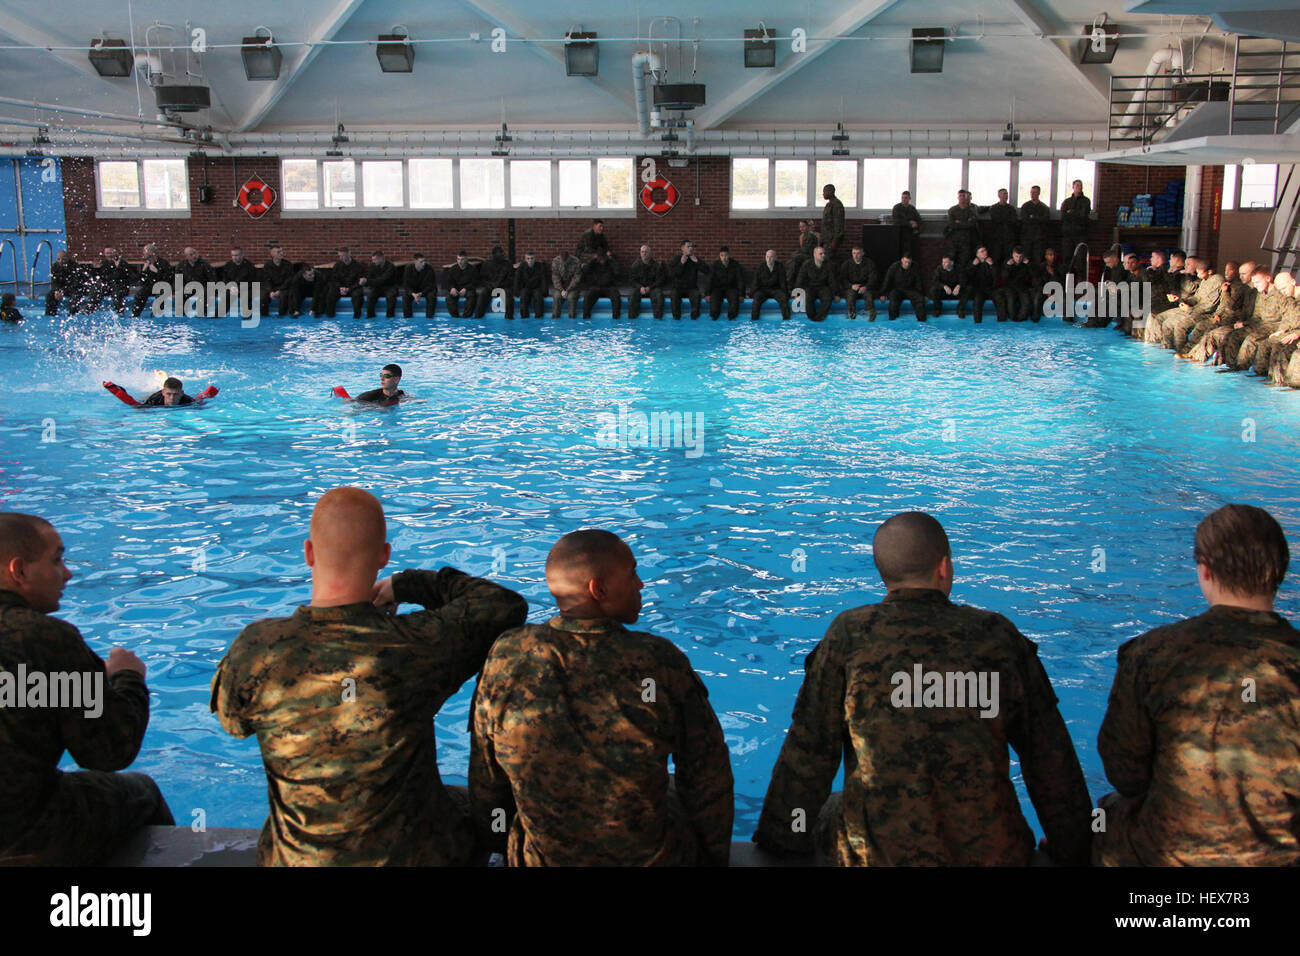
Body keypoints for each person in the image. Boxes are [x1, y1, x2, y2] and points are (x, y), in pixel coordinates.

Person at [211, 487, 528, 866]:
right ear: (383, 556)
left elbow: (234, 724)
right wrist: (405, 584)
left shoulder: (255, 648)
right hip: (413, 858)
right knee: (478, 809)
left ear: (309, 552)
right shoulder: (417, 645)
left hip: (298, 860)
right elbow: (502, 606)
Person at [753, 512, 1091, 866]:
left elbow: (808, 755)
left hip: (879, 856)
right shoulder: (997, 637)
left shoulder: (849, 636)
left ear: (884, 574)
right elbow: (1050, 759)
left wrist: (779, 842)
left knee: (832, 808)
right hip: (993, 853)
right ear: (943, 567)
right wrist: (1075, 846)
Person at [469, 529, 732, 866]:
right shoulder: (657, 661)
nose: (641, 585)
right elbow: (707, 775)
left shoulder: (508, 655)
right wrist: (714, 859)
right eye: (633, 573)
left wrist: (496, 842)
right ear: (598, 589)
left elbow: (487, 770)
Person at [1094, 504, 1300, 867]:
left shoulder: (1152, 654)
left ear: (1204, 570)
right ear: (1280, 571)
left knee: (1104, 817)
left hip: (1167, 854)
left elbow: (1124, 772)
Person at [0, 512, 174, 865]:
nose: (68, 573)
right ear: (18, 570)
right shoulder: (43, 639)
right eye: (56, 560)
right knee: (141, 792)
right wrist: (127, 678)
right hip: (21, 830)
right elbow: (108, 752)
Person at [1182, 261, 1242, 360]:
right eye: (1226, 269)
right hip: (1221, 315)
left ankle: (1197, 356)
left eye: (1230, 270)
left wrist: (1225, 292)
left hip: (1232, 318)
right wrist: (1217, 314)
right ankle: (1189, 351)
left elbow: (1230, 306)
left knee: (1210, 331)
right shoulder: (1227, 285)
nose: (1226, 272)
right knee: (1201, 326)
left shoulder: (1239, 287)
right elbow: (1222, 305)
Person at [1161, 258, 1222, 352]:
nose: (1197, 275)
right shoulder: (1205, 280)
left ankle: (1181, 352)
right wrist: (1181, 300)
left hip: (1205, 314)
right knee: (1167, 323)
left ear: (1209, 272)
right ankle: (1168, 350)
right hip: (1194, 310)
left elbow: (1210, 306)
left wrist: (1190, 309)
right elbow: (1196, 298)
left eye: (1199, 273)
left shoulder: (1217, 280)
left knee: (1180, 326)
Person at [879, 254, 927, 322]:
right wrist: (883, 294)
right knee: (893, 300)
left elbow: (919, 282)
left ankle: (922, 321)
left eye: (909, 262)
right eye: (905, 262)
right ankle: (893, 320)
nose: (907, 264)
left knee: (920, 299)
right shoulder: (894, 267)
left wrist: (923, 295)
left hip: (911, 289)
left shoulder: (915, 267)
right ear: (902, 260)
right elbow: (887, 281)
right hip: (897, 289)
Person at [1060, 179, 1091, 279]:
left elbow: (1083, 216)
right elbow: (1063, 216)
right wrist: (1075, 213)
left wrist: (1072, 213)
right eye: (1077, 185)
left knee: (1081, 259)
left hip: (1081, 234)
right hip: (1068, 234)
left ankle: (1081, 284)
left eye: (1080, 185)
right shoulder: (1067, 201)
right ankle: (1067, 282)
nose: (1079, 187)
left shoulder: (1086, 201)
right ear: (1073, 187)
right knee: (1067, 258)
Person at [796, 246, 836, 322]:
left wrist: (836, 294)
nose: (823, 255)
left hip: (823, 287)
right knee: (808, 298)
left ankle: (819, 318)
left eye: (824, 253)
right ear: (814, 254)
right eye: (821, 254)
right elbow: (800, 279)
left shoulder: (828, 265)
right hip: (810, 287)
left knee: (828, 298)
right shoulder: (807, 264)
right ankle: (812, 317)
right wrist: (798, 293)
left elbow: (832, 281)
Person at [578, 248, 621, 319]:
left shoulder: (610, 262)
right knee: (587, 297)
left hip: (608, 287)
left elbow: (617, 271)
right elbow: (585, 270)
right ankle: (586, 317)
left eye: (603, 258)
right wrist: (592, 260)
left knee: (616, 296)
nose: (602, 260)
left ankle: (616, 318)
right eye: (600, 258)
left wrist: (611, 259)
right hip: (596, 287)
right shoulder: (594, 263)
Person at [322, 247, 364, 318]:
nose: (341, 258)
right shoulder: (337, 266)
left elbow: (359, 282)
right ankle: (330, 316)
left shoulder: (358, 266)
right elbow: (334, 280)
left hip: (353, 287)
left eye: (343, 255)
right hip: (341, 288)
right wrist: (340, 287)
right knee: (330, 294)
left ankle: (357, 317)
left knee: (358, 295)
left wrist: (349, 289)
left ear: (349, 254)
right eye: (340, 256)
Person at [130, 243, 170, 317]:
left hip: (161, 286)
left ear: (151, 252)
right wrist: (143, 271)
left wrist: (156, 271)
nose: (143, 253)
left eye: (145, 251)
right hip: (149, 286)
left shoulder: (163, 263)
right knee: (140, 294)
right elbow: (140, 280)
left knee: (161, 295)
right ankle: (135, 314)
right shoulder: (146, 264)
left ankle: (155, 314)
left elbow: (167, 278)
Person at [91, 246, 134, 314]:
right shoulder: (104, 263)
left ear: (115, 253)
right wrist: (96, 269)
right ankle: (90, 309)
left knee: (116, 291)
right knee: (96, 288)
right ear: (104, 254)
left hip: (120, 287)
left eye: (111, 253)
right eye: (107, 253)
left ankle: (120, 312)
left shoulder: (122, 263)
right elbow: (100, 278)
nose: (109, 255)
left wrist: (118, 267)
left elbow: (122, 277)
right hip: (109, 287)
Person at [750, 249, 791, 321]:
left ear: (775, 258)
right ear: (765, 257)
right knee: (756, 300)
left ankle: (786, 320)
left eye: (771, 257)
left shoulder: (780, 267)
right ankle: (754, 320)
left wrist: (786, 293)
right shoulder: (760, 267)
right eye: (767, 257)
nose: (769, 259)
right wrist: (752, 293)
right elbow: (756, 281)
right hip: (763, 290)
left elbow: (783, 282)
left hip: (776, 289)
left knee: (784, 299)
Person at [960, 247, 998, 324]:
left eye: (985, 250)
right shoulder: (973, 263)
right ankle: (977, 323)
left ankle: (1001, 322)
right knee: (977, 302)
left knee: (999, 299)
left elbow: (997, 276)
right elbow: (966, 276)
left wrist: (992, 266)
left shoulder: (991, 262)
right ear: (977, 254)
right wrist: (973, 265)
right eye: (982, 251)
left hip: (990, 288)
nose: (985, 252)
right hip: (978, 289)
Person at [444, 250, 486, 319]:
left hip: (468, 289)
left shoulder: (473, 270)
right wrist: (451, 288)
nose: (460, 261)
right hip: (456, 289)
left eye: (462, 259)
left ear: (466, 259)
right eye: (458, 259)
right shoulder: (452, 269)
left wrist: (466, 289)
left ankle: (466, 316)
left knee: (472, 296)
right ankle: (455, 317)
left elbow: (475, 282)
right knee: (449, 297)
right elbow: (447, 282)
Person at [998, 246, 1036, 322]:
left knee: (1027, 303)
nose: (1018, 259)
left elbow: (1035, 275)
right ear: (1012, 255)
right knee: (1011, 305)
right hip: (1010, 287)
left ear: (1023, 256)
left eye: (1020, 256)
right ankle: (1014, 318)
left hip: (1023, 287)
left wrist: (1029, 264)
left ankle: (1020, 319)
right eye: (1016, 256)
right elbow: (1003, 278)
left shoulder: (1027, 263)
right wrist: (1008, 267)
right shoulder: (1007, 263)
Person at [627, 244, 665, 320]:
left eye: (646, 252)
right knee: (632, 296)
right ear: (640, 253)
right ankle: (633, 320)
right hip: (639, 288)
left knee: (659, 295)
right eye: (642, 252)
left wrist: (650, 288)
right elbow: (632, 280)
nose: (644, 254)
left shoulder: (656, 265)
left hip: (652, 288)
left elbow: (660, 280)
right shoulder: (635, 265)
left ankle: (657, 319)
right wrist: (640, 287)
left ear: (650, 254)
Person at [944, 190, 980, 271]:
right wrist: (966, 222)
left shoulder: (971, 210)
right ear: (957, 197)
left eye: (964, 196)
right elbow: (952, 225)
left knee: (964, 264)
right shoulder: (952, 210)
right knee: (951, 263)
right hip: (954, 241)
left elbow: (972, 224)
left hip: (967, 241)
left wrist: (959, 222)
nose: (962, 198)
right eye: (960, 196)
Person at [839, 245, 877, 320]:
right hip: (851, 287)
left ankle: (871, 317)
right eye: (854, 253)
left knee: (869, 296)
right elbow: (842, 279)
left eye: (858, 253)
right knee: (850, 296)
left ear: (863, 253)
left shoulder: (870, 264)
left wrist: (866, 287)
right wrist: (851, 286)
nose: (855, 256)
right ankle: (851, 317)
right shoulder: (846, 264)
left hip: (865, 287)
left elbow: (873, 279)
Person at [707, 246, 745, 320]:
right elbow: (709, 280)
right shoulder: (715, 265)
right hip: (718, 288)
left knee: (734, 304)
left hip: (731, 288)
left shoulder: (735, 265)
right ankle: (715, 320)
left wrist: (741, 294)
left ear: (729, 255)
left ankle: (731, 319)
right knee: (714, 308)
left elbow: (740, 280)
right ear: (719, 256)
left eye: (726, 255)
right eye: (722, 255)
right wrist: (707, 294)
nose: (724, 257)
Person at [668, 240, 703, 321]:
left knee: (697, 296)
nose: (691, 248)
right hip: (678, 287)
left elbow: (707, 270)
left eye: (692, 246)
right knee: (674, 296)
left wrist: (697, 262)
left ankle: (694, 319)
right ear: (682, 248)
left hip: (691, 287)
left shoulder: (695, 259)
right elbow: (672, 274)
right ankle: (676, 319)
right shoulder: (676, 259)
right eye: (688, 246)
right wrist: (681, 264)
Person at [45, 250, 87, 316]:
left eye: (63, 259)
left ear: (67, 258)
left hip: (73, 289)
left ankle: (73, 314)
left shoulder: (75, 266)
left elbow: (76, 284)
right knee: (50, 295)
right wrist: (56, 291)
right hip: (61, 289)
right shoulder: (55, 266)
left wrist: (63, 292)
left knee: (75, 297)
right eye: (59, 259)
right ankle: (50, 314)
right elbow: (54, 282)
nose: (61, 261)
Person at [176, 246, 215, 317]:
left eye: (195, 253)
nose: (194, 256)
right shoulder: (181, 266)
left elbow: (212, 279)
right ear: (186, 257)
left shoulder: (204, 264)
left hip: (202, 289)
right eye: (191, 255)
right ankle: (183, 314)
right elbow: (178, 281)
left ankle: (202, 313)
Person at [360, 250, 399, 319]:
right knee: (370, 297)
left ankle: (390, 317)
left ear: (381, 258)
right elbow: (369, 277)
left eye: (375, 260)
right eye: (372, 260)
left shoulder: (390, 267)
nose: (373, 261)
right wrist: (364, 282)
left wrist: (367, 281)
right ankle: (370, 317)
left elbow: (382, 280)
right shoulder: (373, 266)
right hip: (378, 287)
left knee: (391, 298)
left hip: (389, 287)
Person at [479, 246, 515, 319]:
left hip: (503, 287)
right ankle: (478, 316)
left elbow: (511, 279)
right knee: (482, 294)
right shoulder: (487, 264)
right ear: (493, 255)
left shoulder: (508, 264)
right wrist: (490, 285)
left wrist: (500, 285)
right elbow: (482, 279)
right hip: (490, 287)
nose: (501, 255)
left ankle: (509, 317)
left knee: (509, 296)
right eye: (499, 254)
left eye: (501, 254)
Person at [260, 243, 296, 318]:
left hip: (283, 287)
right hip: (271, 287)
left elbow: (289, 280)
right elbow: (266, 280)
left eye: (281, 251)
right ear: (272, 254)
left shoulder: (288, 264)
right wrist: (271, 291)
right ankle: (264, 315)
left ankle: (281, 315)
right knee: (262, 296)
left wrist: (279, 290)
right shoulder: (267, 265)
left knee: (284, 295)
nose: (281, 253)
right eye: (278, 252)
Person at [1019, 185, 1050, 266]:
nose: (1032, 194)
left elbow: (1045, 221)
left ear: (1039, 193)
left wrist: (1033, 217)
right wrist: (1037, 218)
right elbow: (1025, 220)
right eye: (1031, 192)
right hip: (1027, 237)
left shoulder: (1044, 208)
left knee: (1038, 259)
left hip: (1039, 238)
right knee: (1026, 259)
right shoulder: (1025, 206)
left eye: (1035, 192)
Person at [987, 188, 1018, 266]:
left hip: (1009, 238)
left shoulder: (1011, 208)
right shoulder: (994, 208)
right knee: (996, 259)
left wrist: (1005, 219)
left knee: (1008, 259)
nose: (1006, 195)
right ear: (999, 195)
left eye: (1007, 194)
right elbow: (996, 220)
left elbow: (1014, 221)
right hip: (997, 238)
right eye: (1004, 194)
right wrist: (1006, 219)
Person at [401, 253, 438, 318]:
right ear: (415, 261)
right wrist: (413, 294)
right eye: (421, 262)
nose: (423, 263)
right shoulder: (408, 268)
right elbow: (406, 285)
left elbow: (431, 285)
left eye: (424, 261)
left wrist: (421, 293)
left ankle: (429, 317)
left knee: (432, 295)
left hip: (425, 290)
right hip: (414, 290)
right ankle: (408, 318)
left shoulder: (429, 268)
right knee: (405, 296)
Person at [513, 251, 547, 319]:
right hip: (526, 287)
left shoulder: (540, 266)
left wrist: (544, 292)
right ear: (525, 259)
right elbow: (517, 280)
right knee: (523, 297)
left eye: (532, 258)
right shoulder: (521, 267)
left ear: (535, 259)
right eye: (528, 258)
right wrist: (516, 293)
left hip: (536, 288)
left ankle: (539, 317)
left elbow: (544, 280)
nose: (530, 260)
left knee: (538, 297)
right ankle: (524, 317)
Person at [1035, 248, 1066, 322]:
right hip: (1044, 290)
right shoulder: (1041, 267)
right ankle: (1036, 319)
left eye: (1054, 255)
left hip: (1057, 290)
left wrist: (1053, 274)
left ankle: (1066, 320)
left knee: (1065, 300)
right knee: (1036, 300)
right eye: (1050, 255)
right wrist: (1047, 292)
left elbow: (1062, 282)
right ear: (1046, 256)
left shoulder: (1060, 266)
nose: (1053, 257)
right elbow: (1038, 282)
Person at [928, 254, 963, 318]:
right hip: (944, 292)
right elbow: (935, 281)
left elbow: (964, 280)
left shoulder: (958, 268)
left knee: (968, 289)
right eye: (942, 262)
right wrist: (944, 286)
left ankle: (960, 309)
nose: (943, 264)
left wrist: (959, 286)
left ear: (952, 263)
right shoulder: (939, 269)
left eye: (945, 262)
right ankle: (937, 310)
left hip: (956, 292)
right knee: (933, 290)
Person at [550, 250, 582, 319]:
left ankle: (572, 318)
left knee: (571, 297)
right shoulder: (555, 261)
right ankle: (555, 319)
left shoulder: (576, 261)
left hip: (573, 287)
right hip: (560, 287)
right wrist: (561, 290)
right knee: (556, 296)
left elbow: (576, 278)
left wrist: (568, 290)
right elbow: (555, 277)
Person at [891, 191, 921, 261]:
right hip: (900, 234)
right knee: (901, 254)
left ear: (909, 198)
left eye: (906, 198)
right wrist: (909, 223)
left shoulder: (912, 208)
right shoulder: (897, 208)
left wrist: (916, 224)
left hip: (911, 235)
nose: (904, 199)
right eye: (902, 198)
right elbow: (896, 221)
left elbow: (919, 220)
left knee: (911, 253)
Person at [789, 220, 819, 284]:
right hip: (805, 254)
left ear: (807, 227)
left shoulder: (810, 236)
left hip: (810, 255)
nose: (801, 228)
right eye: (800, 227)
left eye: (803, 226)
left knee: (796, 258)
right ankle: (790, 279)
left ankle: (790, 280)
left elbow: (806, 249)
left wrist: (797, 253)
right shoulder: (804, 236)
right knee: (791, 262)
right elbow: (802, 249)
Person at [820, 184, 845, 258]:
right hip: (826, 239)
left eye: (824, 192)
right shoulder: (829, 204)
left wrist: (835, 241)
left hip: (831, 240)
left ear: (831, 191)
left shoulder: (837, 205)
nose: (823, 194)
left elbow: (839, 224)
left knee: (829, 261)